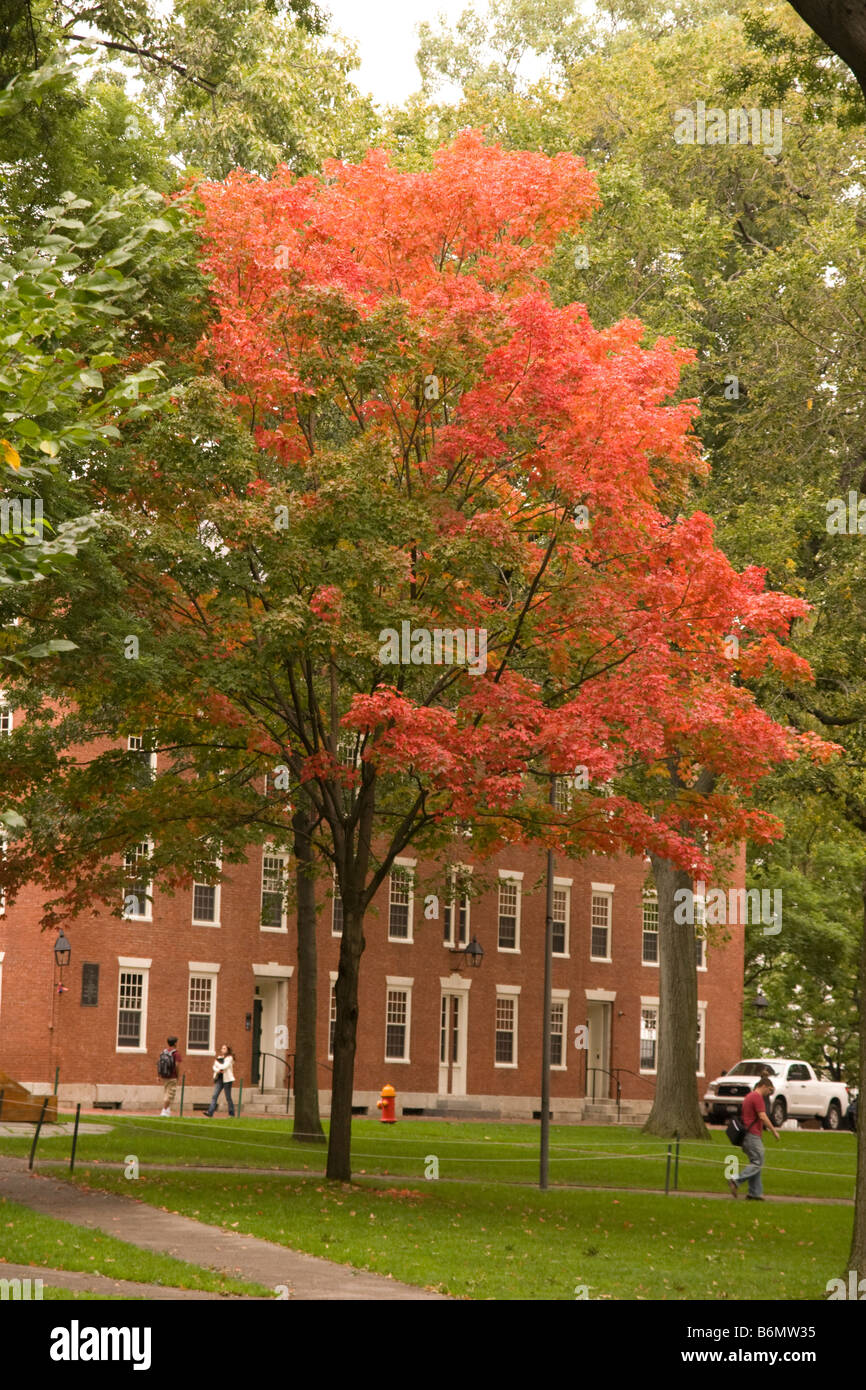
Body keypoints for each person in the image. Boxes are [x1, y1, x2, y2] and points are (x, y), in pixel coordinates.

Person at [728, 1075, 779, 1201]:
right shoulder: (757, 1097)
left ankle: (754, 1193)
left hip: (747, 1135)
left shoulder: (749, 1096)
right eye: (769, 1090)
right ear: (763, 1086)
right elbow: (762, 1116)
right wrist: (774, 1131)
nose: (769, 1093)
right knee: (758, 1162)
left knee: (755, 1162)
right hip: (752, 1134)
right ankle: (735, 1180)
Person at [205, 1044, 236, 1117]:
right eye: (222, 1048)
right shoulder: (219, 1057)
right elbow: (214, 1067)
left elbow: (224, 1067)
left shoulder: (229, 1058)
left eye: (224, 1048)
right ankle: (210, 1112)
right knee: (214, 1095)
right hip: (219, 1079)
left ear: (228, 1050)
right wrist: (218, 1070)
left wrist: (217, 1064)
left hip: (227, 1080)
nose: (223, 1049)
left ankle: (231, 1114)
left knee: (228, 1097)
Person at [159, 1036, 181, 1117]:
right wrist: (178, 1076)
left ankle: (167, 1110)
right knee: (170, 1094)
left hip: (165, 1075)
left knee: (166, 1092)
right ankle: (164, 1111)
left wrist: (159, 1075)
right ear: (175, 1043)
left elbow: (159, 1063)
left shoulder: (164, 1052)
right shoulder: (176, 1053)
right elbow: (177, 1065)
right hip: (172, 1076)